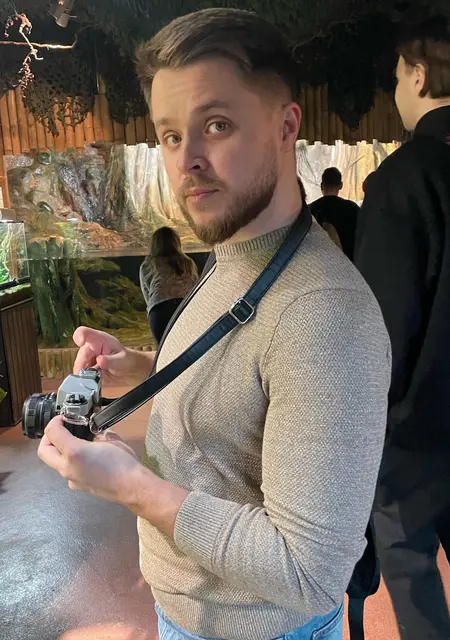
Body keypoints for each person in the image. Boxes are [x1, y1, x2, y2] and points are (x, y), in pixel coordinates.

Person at [38, 8, 391, 640]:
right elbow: (251, 389)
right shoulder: (232, 254)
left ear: (287, 126)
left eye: (217, 125)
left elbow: (310, 572)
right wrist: (141, 370)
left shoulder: (324, 313)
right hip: (188, 613)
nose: (188, 160)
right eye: (171, 136)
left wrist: (135, 488)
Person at [355, 16, 450, 640]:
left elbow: (381, 327)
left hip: (416, 432)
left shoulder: (401, 181)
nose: (396, 90)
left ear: (417, 75)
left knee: (412, 571)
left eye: (396, 77)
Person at [140, 226, 198, 345]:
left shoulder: (149, 263)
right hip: (185, 307)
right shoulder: (188, 262)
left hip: (159, 309)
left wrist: (152, 309)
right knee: (186, 347)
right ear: (176, 242)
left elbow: (146, 293)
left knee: (163, 350)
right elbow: (196, 287)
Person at [310, 168, 360, 261]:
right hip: (348, 265)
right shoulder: (353, 209)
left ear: (322, 185)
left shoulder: (310, 210)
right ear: (341, 185)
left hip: (317, 265)